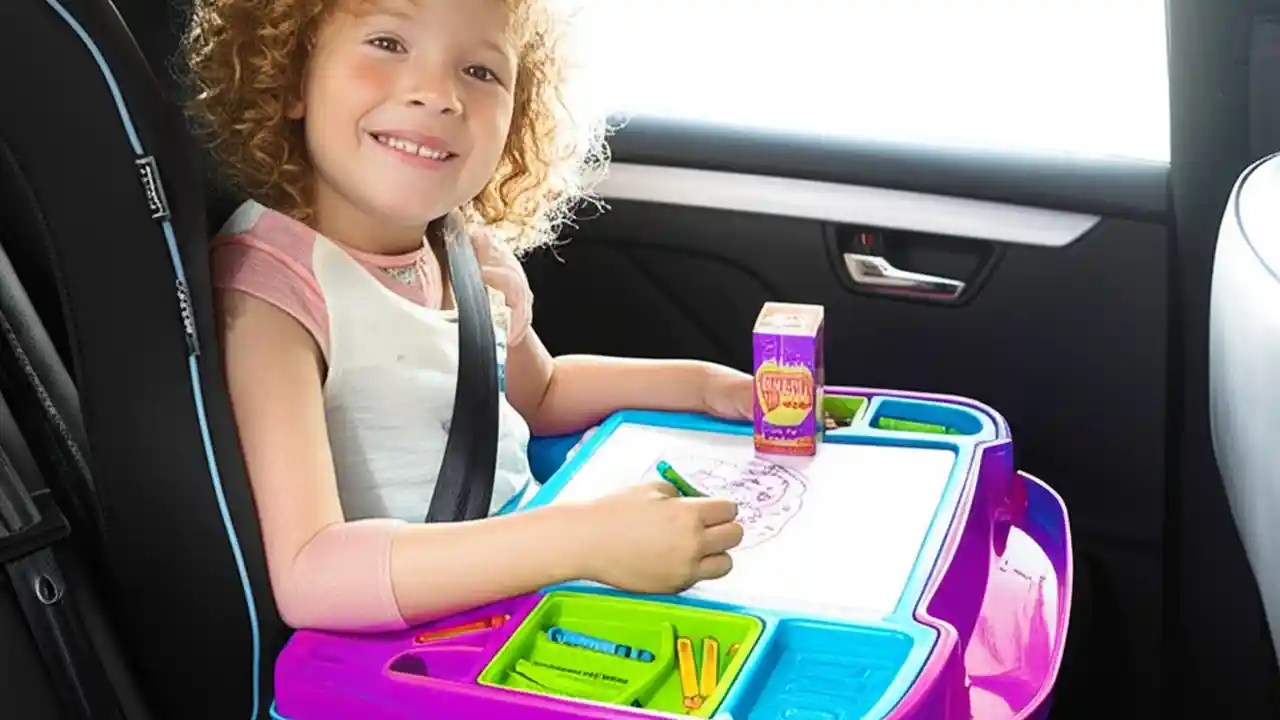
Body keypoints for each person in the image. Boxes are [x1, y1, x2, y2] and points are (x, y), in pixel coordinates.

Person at [180, 0, 752, 633]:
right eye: (388, 44)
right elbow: (309, 573)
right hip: (420, 651)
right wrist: (582, 541)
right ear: (292, 77)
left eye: (480, 71)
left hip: (527, 601)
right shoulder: (270, 291)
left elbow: (544, 392)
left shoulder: (462, 250)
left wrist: (705, 386)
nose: (439, 94)